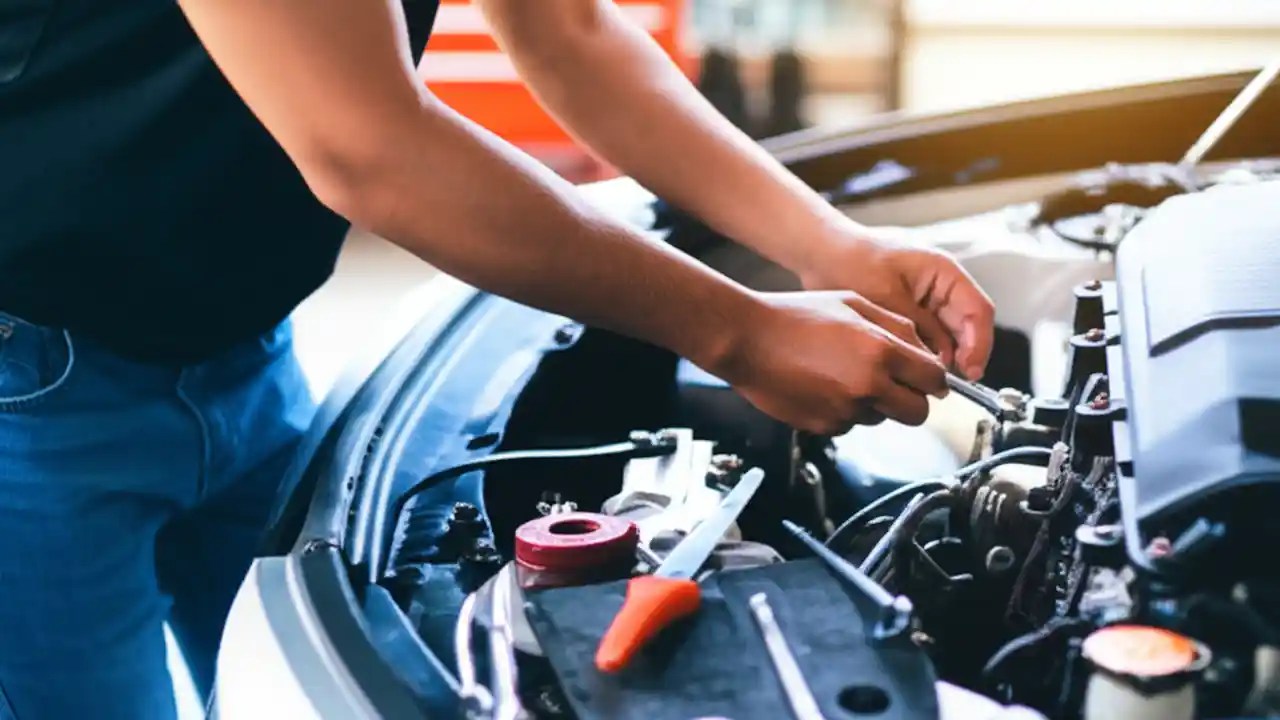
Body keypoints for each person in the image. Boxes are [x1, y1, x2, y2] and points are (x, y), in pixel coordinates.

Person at [0, 0, 994, 717]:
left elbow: (565, 30)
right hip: (29, 386)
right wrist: (741, 331)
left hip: (238, 343)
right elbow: (369, 146)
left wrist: (830, 248)